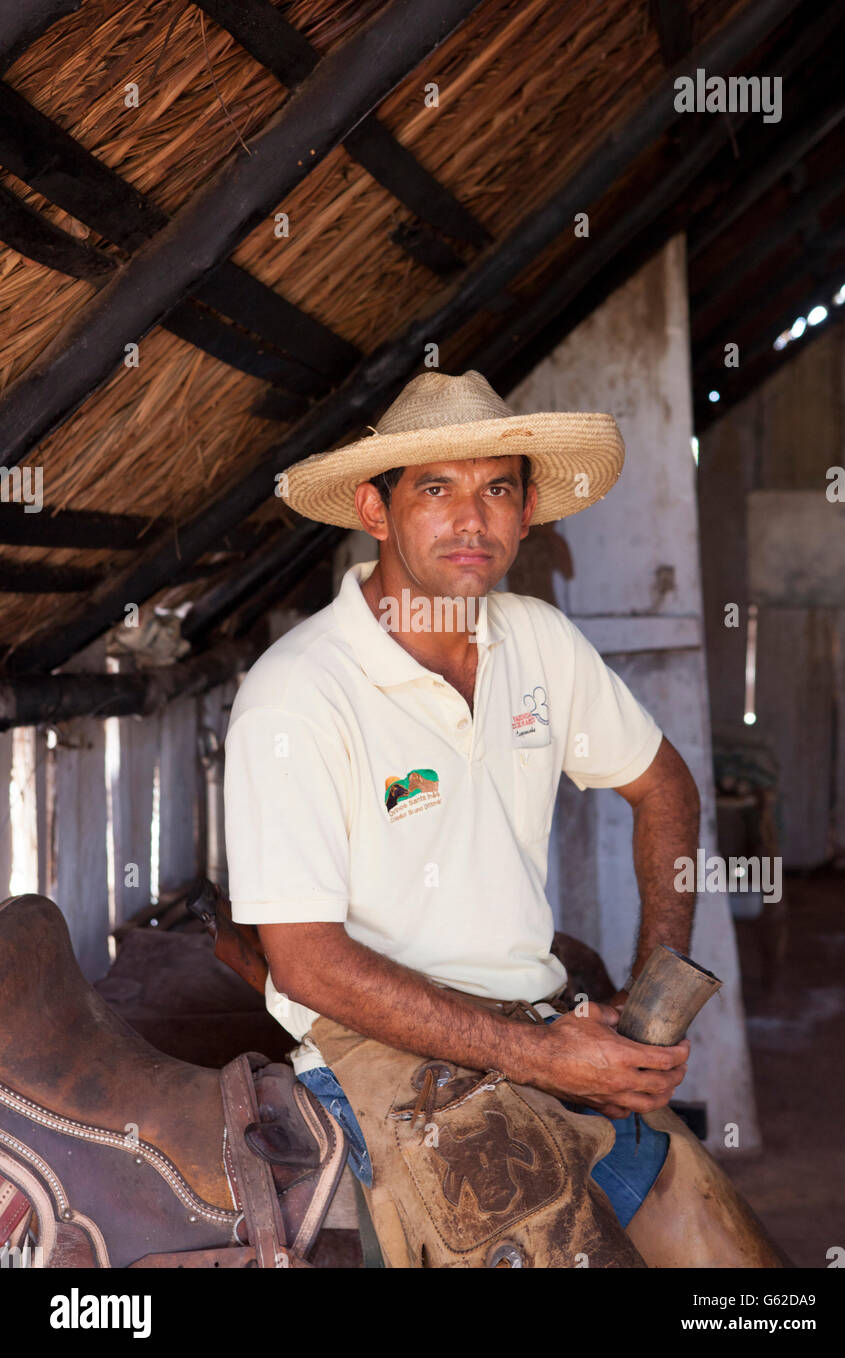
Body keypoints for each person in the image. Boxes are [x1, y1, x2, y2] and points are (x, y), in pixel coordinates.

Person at [223, 369, 787, 1268]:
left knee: (746, 1273)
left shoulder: (538, 642)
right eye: (435, 489)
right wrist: (540, 1057)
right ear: (375, 509)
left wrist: (653, 999)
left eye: (497, 490)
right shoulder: (298, 693)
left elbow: (664, 787)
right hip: (378, 1051)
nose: (471, 520)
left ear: (527, 515)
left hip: (541, 1015)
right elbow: (307, 961)